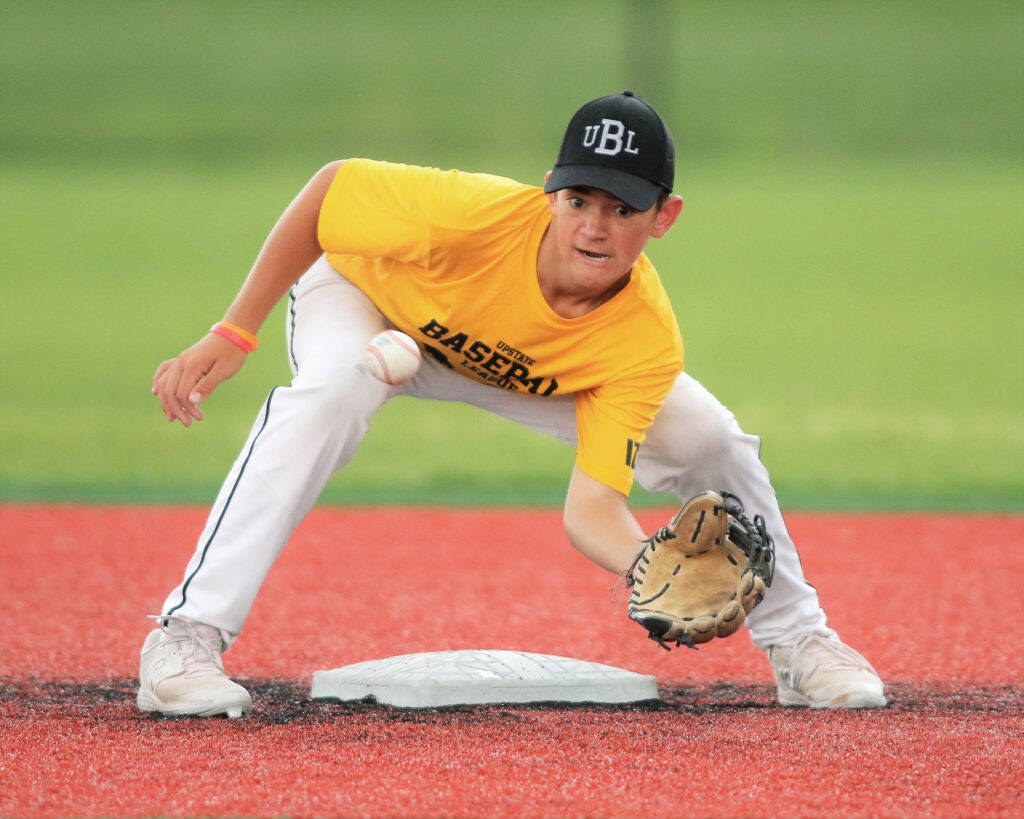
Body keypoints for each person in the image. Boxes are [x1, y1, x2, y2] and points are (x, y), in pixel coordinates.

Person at [139, 91, 886, 718]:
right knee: (334, 389)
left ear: (664, 217)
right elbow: (330, 190)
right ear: (549, 190)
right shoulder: (468, 217)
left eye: (622, 207)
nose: (593, 224)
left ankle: (800, 641)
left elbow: (590, 509)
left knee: (708, 434)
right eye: (577, 198)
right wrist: (235, 331)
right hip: (376, 306)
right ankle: (185, 633)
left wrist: (651, 566)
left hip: (541, 370)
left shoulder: (642, 338)